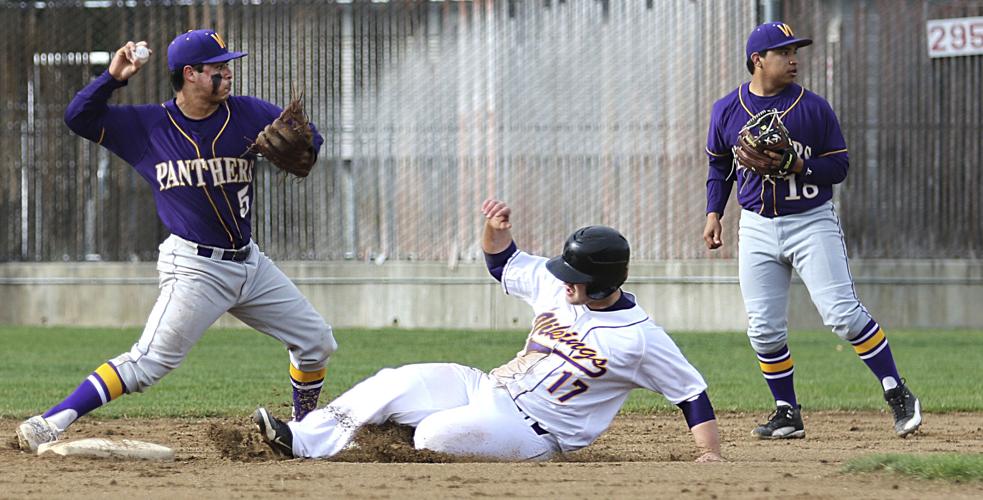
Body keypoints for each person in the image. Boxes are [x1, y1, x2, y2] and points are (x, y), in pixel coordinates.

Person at [16, 30, 337, 452]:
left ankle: (302, 432)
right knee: (147, 363)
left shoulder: (247, 113)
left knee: (316, 342)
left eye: (228, 65)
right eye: (218, 67)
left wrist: (308, 146)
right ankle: (49, 422)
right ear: (190, 74)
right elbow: (78, 117)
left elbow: (308, 136)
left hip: (250, 264)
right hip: (195, 268)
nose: (228, 73)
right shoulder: (147, 126)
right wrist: (113, 78)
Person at [253, 198, 723, 462]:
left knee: (433, 435)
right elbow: (502, 263)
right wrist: (494, 229)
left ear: (602, 281)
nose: (563, 280)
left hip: (533, 433)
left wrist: (710, 454)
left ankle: (380, 440)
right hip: (486, 386)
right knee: (394, 382)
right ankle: (303, 439)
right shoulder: (557, 286)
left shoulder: (639, 337)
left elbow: (690, 393)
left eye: (575, 275)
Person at [702, 22, 921, 439]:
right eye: (784, 52)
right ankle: (787, 411)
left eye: (795, 51)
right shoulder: (726, 109)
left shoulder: (814, 108)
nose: (793, 59)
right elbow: (719, 164)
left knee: (842, 315)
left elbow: (839, 167)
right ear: (757, 60)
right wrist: (714, 212)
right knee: (763, 328)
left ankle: (897, 391)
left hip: (811, 221)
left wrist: (798, 165)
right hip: (756, 225)